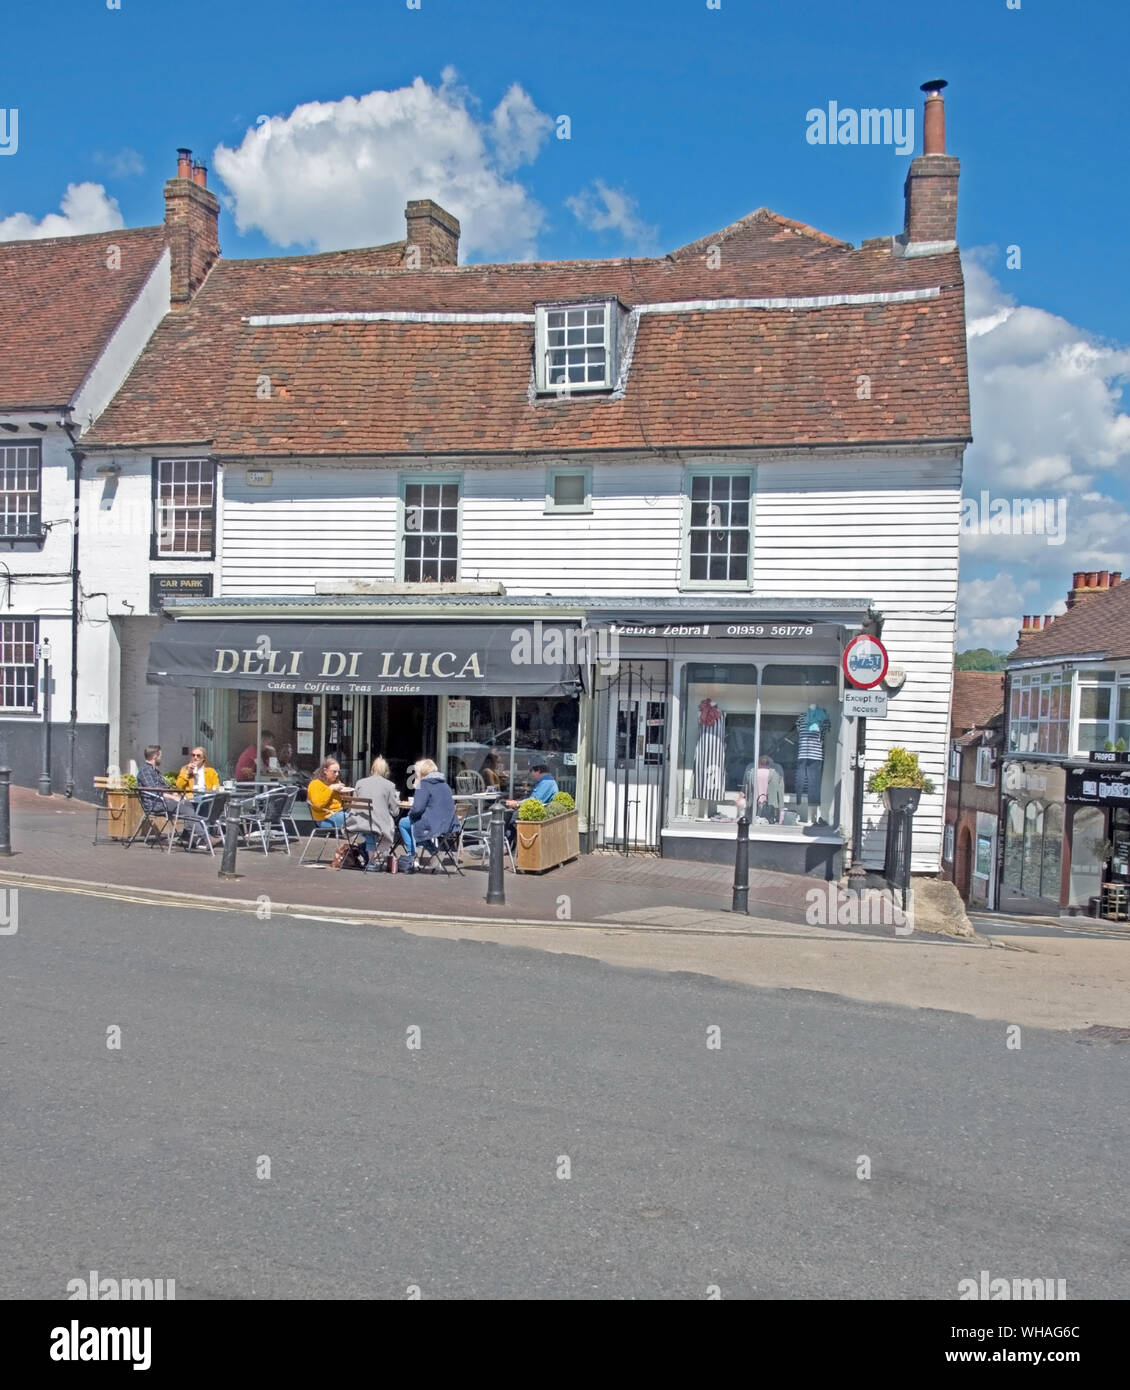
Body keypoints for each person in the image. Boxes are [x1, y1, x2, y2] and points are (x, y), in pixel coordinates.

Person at [136, 745, 218, 845]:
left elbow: (168, 786)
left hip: (164, 800)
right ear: (155, 756)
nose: (195, 758)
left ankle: (187, 836)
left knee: (189, 805)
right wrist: (173, 795)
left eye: (198, 756)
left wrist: (174, 793)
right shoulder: (145, 770)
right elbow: (154, 790)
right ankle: (206, 838)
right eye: (193, 755)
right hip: (156, 803)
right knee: (187, 807)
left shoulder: (154, 771)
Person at [399, 758, 459, 873]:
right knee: (416, 827)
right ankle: (435, 852)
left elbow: (417, 808)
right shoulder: (444, 784)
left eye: (416, 773)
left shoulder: (424, 784)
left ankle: (412, 855)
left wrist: (411, 814)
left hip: (432, 825)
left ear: (421, 772)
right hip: (448, 824)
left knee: (404, 823)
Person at [347, 756, 402, 872]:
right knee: (376, 826)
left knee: (370, 827)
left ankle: (365, 851)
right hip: (377, 825)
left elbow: (354, 805)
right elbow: (395, 812)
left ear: (372, 769)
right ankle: (372, 861)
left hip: (356, 823)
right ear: (386, 771)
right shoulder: (389, 785)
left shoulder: (359, 782)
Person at [306, 757, 352, 829]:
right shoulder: (315, 784)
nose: (337, 774)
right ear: (325, 771)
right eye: (334, 771)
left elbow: (344, 804)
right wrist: (331, 789)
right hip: (325, 818)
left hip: (338, 813)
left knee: (363, 817)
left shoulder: (335, 782)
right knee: (359, 821)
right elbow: (318, 804)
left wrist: (344, 793)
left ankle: (368, 839)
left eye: (338, 772)